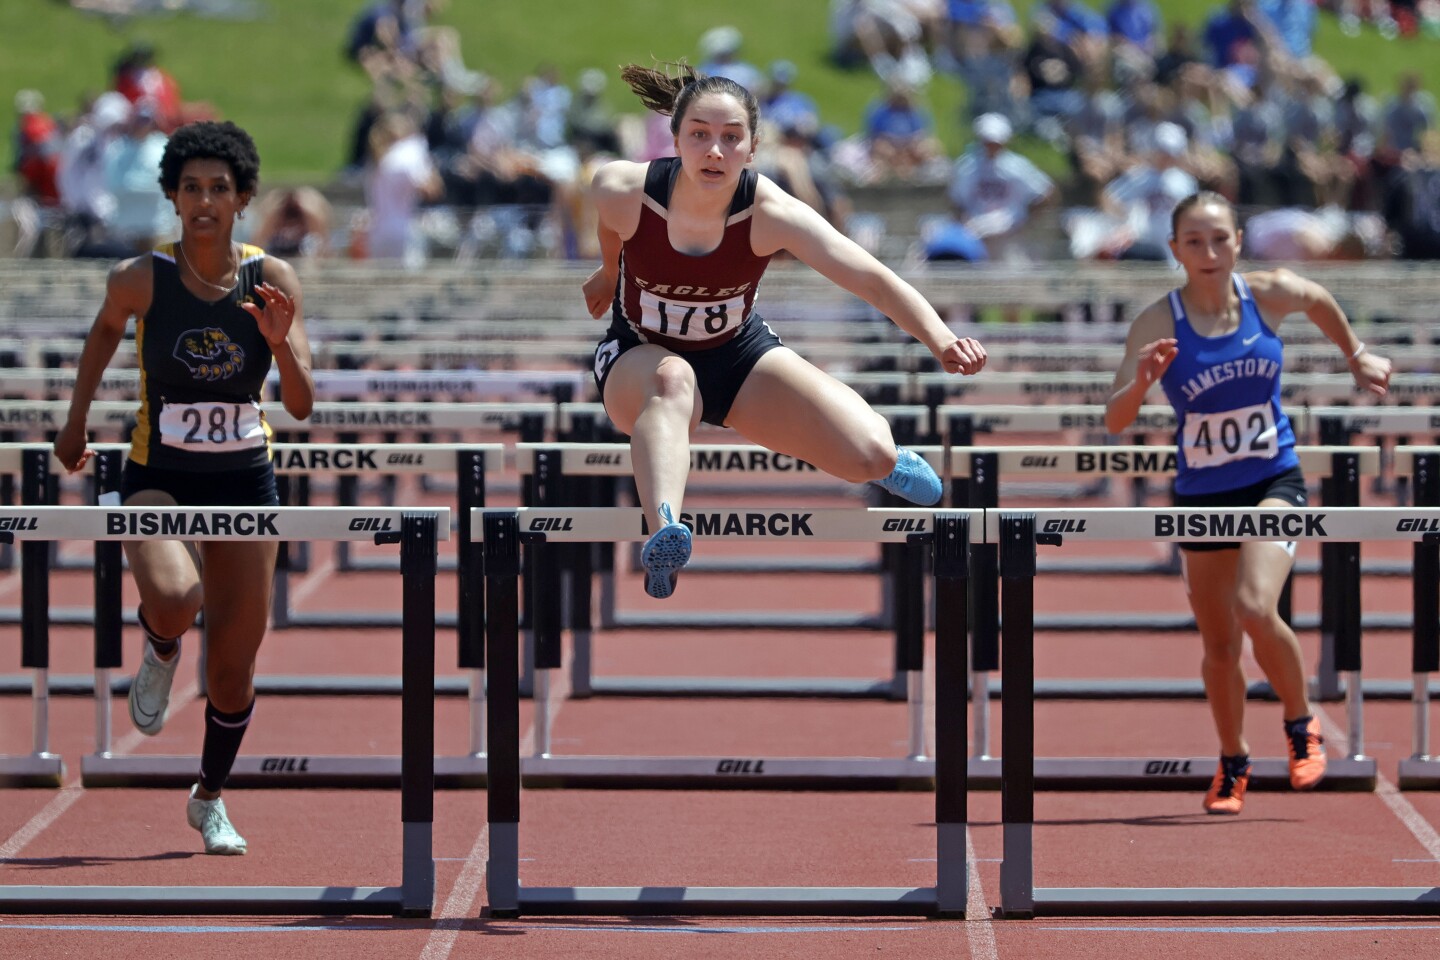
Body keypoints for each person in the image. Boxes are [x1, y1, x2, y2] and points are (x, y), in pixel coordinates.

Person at [583, 63, 986, 600]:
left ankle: (886, 458)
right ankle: (664, 534)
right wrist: (610, 274)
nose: (715, 152)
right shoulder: (623, 188)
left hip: (736, 355)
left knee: (866, 453)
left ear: (752, 149)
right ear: (674, 139)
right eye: (700, 135)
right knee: (673, 379)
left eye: (731, 139)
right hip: (638, 357)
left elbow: (870, 277)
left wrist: (940, 338)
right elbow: (612, 227)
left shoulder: (769, 210)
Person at [53, 121, 315, 854]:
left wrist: (277, 345)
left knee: (233, 668)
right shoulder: (141, 277)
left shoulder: (272, 280)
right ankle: (162, 644)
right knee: (174, 596)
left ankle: (210, 797)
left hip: (244, 480)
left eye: (219, 190)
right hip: (158, 476)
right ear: (173, 198)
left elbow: (300, 404)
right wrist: (75, 424)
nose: (205, 202)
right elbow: (104, 333)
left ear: (243, 200)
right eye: (192, 189)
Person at [1104, 191, 1391, 815]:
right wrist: (1144, 382)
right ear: (1176, 248)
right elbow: (1115, 419)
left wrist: (1355, 353)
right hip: (1202, 491)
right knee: (1219, 645)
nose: (1209, 253)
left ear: (1239, 241)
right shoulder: (1158, 321)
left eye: (1220, 239)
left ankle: (1300, 723)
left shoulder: (1270, 292)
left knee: (1255, 607)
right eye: (1194, 242)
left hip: (1273, 479)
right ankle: (1232, 761)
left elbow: (1318, 299)